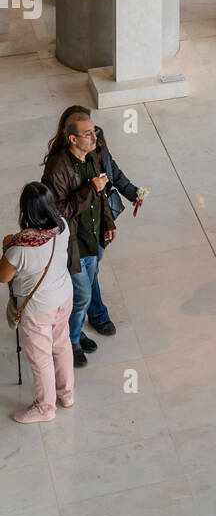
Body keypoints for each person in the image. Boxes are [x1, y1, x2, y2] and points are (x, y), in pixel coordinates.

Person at [41, 109, 139, 366]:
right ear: (73, 139)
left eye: (94, 131)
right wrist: (89, 189)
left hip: (94, 237)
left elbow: (103, 192)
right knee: (82, 294)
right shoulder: (57, 169)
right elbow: (58, 213)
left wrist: (107, 222)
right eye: (88, 133)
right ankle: (70, 342)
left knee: (84, 287)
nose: (95, 137)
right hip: (72, 245)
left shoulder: (93, 156)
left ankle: (74, 332)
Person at [0, 183, 73, 424]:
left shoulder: (19, 247)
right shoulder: (62, 226)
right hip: (64, 294)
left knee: (41, 357)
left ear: (26, 211)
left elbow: (3, 276)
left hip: (37, 309)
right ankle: (66, 394)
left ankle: (45, 407)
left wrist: (6, 246)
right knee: (61, 345)